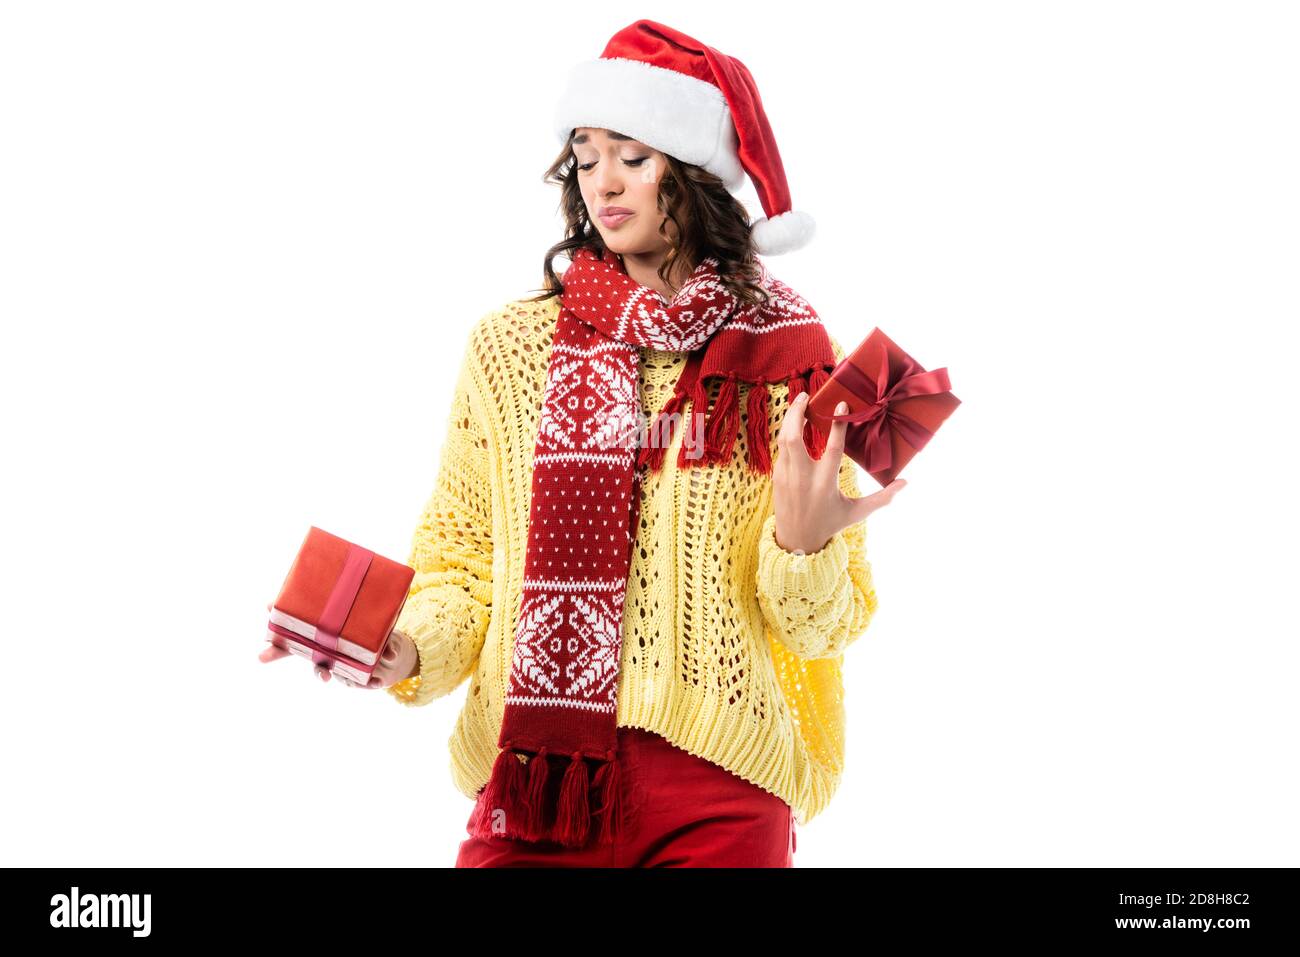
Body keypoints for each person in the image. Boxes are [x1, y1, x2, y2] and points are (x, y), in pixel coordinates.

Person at [261, 19, 905, 867]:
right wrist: (403, 647)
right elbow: (460, 559)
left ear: (696, 171)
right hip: (538, 779)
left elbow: (825, 626)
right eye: (586, 154)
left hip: (722, 780)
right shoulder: (508, 348)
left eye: (633, 155)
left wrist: (804, 541)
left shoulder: (792, 357)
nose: (603, 181)